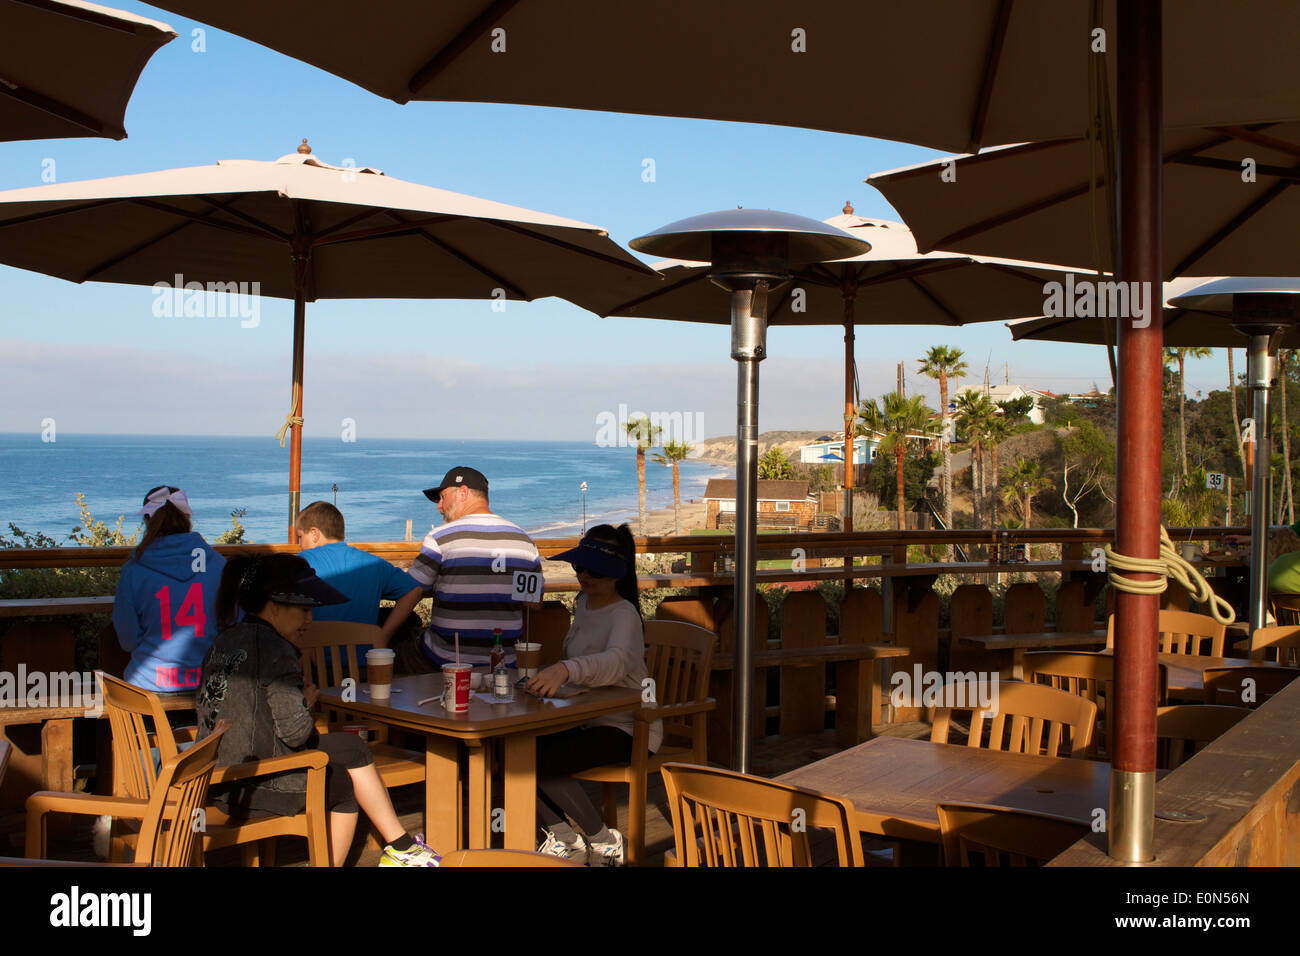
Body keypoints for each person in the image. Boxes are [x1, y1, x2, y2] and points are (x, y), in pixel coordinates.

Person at [195, 553, 440, 867]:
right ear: (275, 605)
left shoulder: (224, 641)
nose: (310, 620)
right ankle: (385, 852)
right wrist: (305, 702)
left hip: (219, 777)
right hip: (256, 783)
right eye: (304, 610)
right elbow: (296, 735)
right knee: (344, 782)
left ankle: (402, 847)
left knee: (351, 748)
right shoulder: (276, 651)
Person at [526, 524, 659, 866]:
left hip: (630, 727)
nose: (584, 574)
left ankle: (603, 839)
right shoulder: (584, 603)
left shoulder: (624, 615)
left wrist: (567, 670)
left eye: (595, 569)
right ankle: (566, 838)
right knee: (511, 751)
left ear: (617, 575)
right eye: (579, 566)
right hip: (587, 717)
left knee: (539, 762)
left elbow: (614, 663)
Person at [404, 466, 543, 670]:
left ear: (463, 492)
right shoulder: (524, 541)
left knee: (398, 647)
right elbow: (534, 604)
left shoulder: (440, 538)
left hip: (446, 660)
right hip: (505, 662)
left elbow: (412, 589)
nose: (439, 506)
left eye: (442, 497)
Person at [112, 485, 225, 693]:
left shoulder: (135, 569)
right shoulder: (218, 565)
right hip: (210, 687)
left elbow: (127, 641)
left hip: (147, 688)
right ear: (187, 518)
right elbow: (232, 627)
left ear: (147, 521)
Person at [295, 500, 423, 647]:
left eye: (300, 537)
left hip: (315, 664)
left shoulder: (302, 563)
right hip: (363, 663)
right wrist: (382, 636)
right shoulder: (373, 564)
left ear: (314, 534)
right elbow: (414, 591)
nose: (300, 545)